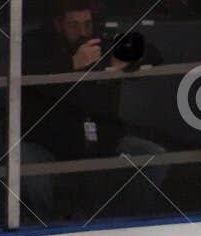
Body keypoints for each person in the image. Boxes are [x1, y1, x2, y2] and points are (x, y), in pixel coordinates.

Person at [20, 0, 163, 223]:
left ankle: (127, 223)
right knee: (29, 167)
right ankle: (43, 230)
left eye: (87, 24)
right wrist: (71, 63)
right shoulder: (35, 44)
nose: (82, 32)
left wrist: (124, 60)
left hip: (102, 138)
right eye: (74, 26)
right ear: (58, 25)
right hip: (47, 142)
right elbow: (29, 73)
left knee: (151, 156)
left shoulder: (101, 41)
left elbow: (153, 54)